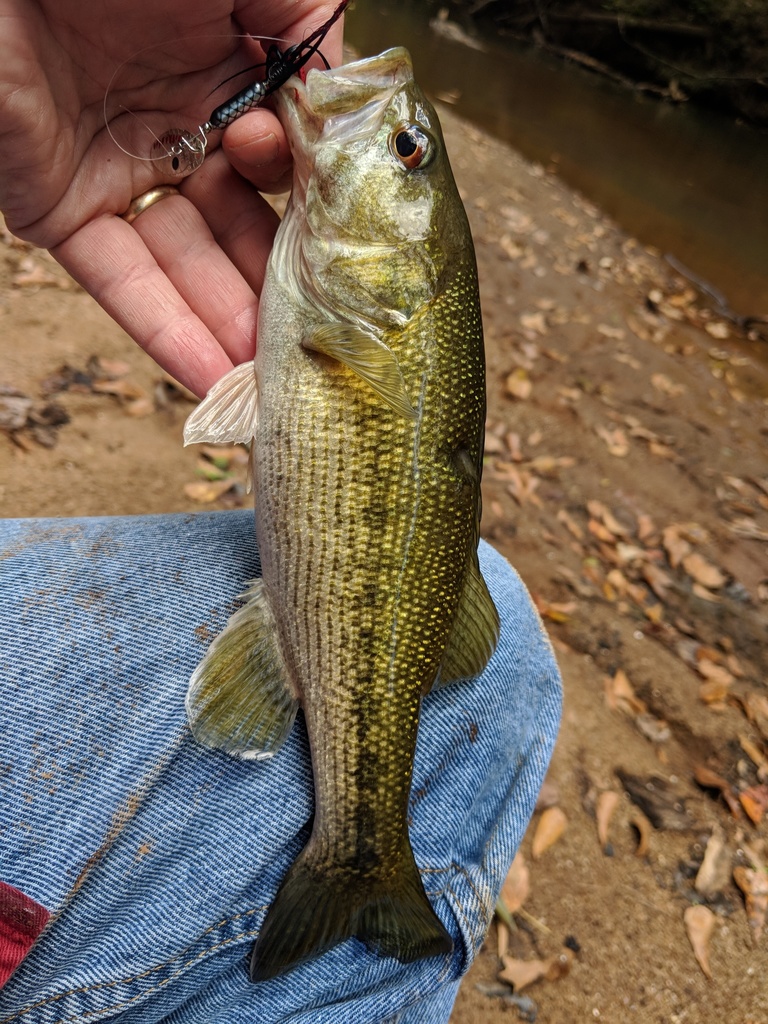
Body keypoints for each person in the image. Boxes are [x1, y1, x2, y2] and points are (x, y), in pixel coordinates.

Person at [0, 2, 562, 1019]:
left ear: (403, 286)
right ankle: (362, 855)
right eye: (411, 145)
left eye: (402, 150)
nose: (393, 124)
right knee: (509, 656)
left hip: (318, 590)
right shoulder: (349, 305)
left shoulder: (352, 307)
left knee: (499, 638)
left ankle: (357, 853)